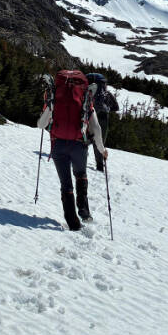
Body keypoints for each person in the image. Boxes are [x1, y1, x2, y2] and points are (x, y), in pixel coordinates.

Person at [38, 71, 107, 232]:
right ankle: (84, 211)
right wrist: (102, 150)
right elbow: (97, 128)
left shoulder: (55, 98)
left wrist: (49, 109)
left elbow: (41, 125)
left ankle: (73, 223)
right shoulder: (85, 100)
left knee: (66, 184)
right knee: (80, 174)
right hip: (79, 145)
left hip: (58, 145)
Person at [85, 73, 119, 172]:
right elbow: (116, 107)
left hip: (89, 115)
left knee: (85, 138)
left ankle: (81, 158)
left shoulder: (87, 92)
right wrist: (107, 107)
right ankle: (100, 166)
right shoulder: (106, 94)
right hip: (103, 117)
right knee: (99, 141)